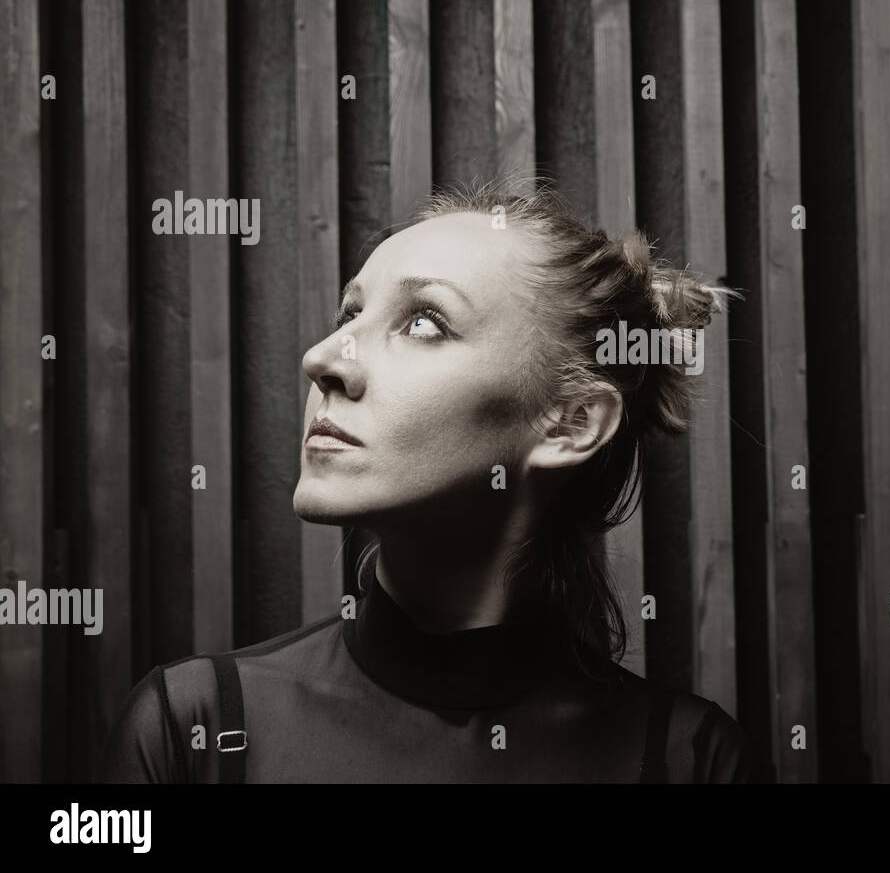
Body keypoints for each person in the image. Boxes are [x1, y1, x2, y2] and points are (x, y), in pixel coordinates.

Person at [96, 179, 753, 783]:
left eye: (422, 323)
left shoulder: (687, 761)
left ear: (571, 423)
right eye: (349, 314)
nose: (322, 359)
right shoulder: (192, 732)